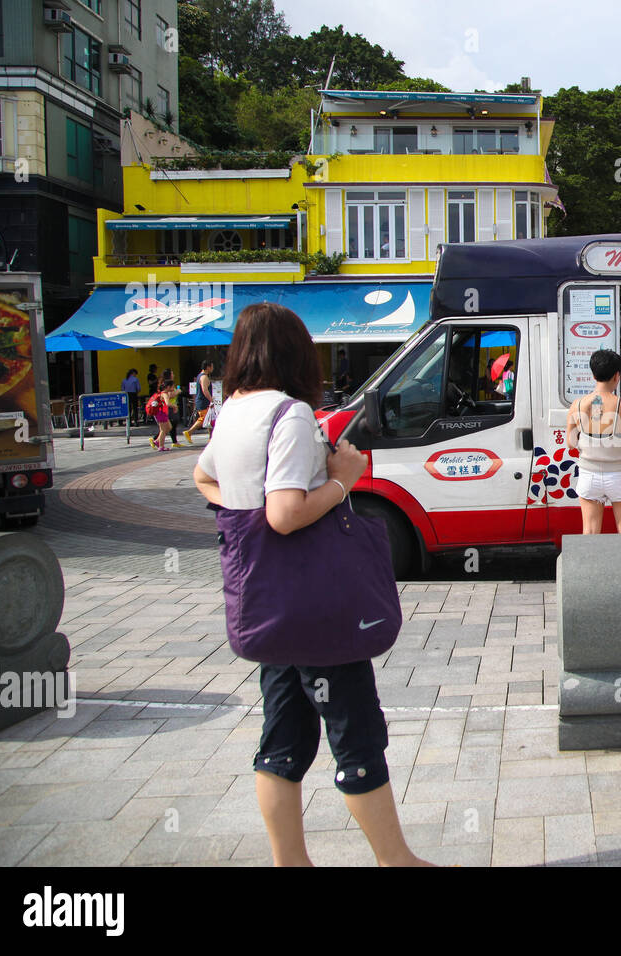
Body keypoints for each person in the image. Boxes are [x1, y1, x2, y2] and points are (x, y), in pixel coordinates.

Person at [192, 302, 431, 868]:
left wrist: (243, 509)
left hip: (270, 608)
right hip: (317, 609)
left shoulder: (232, 411)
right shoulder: (290, 414)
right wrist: (344, 480)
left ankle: (291, 863)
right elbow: (285, 514)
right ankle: (397, 862)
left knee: (283, 739)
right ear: (297, 353)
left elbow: (203, 476)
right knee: (357, 734)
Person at [567, 349, 621, 605]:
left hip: (589, 475)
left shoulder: (578, 405)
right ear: (617, 376)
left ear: (592, 374)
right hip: (620, 477)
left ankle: (589, 589)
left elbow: (570, 444)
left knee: (590, 532)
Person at [184, 359, 215, 445]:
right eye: (212, 366)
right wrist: (211, 399)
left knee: (209, 419)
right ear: (208, 367)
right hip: (203, 401)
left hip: (203, 401)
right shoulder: (204, 377)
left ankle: (211, 438)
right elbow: (205, 390)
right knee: (204, 419)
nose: (212, 368)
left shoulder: (200, 376)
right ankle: (189, 432)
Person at [147, 384, 173, 451]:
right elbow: (167, 403)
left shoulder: (162, 393)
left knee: (169, 427)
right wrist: (175, 406)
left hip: (162, 413)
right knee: (163, 430)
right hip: (161, 413)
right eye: (172, 386)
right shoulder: (164, 394)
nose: (173, 387)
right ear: (168, 387)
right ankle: (161, 446)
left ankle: (157, 441)